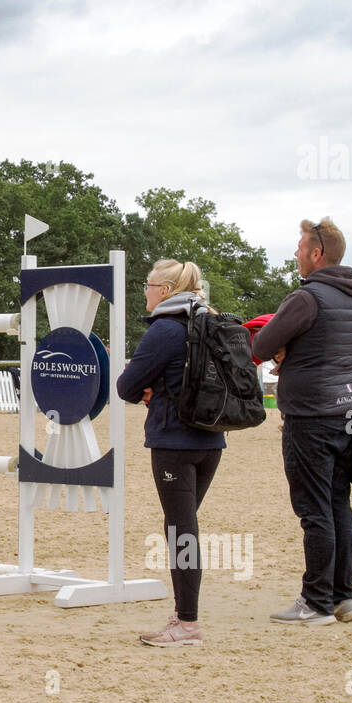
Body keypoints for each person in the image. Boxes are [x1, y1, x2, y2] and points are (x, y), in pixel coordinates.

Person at [251, 218, 352, 626]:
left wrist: (284, 351)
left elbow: (261, 345)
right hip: (347, 410)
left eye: (300, 248)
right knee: (339, 505)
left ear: (317, 254)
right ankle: (343, 595)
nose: (296, 254)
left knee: (313, 509)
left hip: (311, 415)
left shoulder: (306, 298)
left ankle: (315, 601)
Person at [116, 259, 224, 646]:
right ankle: (183, 614)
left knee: (181, 530)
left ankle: (188, 624)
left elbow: (127, 386)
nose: (144, 291)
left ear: (164, 290)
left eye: (148, 285)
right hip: (212, 439)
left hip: (173, 441)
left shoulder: (164, 329)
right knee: (182, 525)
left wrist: (150, 390)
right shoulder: (209, 321)